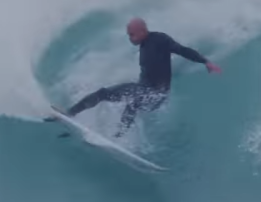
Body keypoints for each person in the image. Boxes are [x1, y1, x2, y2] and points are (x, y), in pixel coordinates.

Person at [51, 17, 221, 137]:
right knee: (103, 93)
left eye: (131, 34)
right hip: (144, 89)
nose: (129, 38)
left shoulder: (160, 39)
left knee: (134, 102)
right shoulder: (144, 45)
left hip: (158, 94)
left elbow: (182, 50)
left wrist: (205, 61)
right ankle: (70, 114)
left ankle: (119, 137)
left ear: (142, 31)